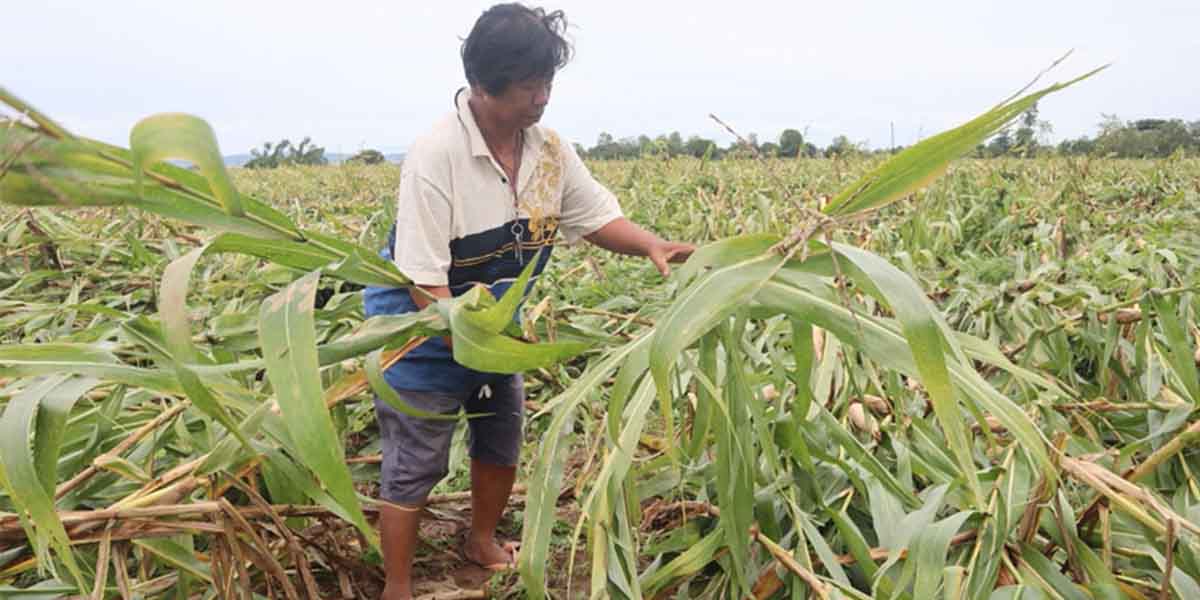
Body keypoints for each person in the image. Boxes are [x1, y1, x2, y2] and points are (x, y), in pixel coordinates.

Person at [363, 4, 694, 598]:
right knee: (415, 459)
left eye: (548, 83)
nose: (542, 97)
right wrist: (472, 342)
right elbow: (423, 283)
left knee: (500, 435)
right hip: (419, 328)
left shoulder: (547, 151)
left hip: (494, 330)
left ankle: (482, 540)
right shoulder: (436, 156)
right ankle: (397, 584)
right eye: (529, 86)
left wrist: (649, 244)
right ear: (485, 86)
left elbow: (594, 216)